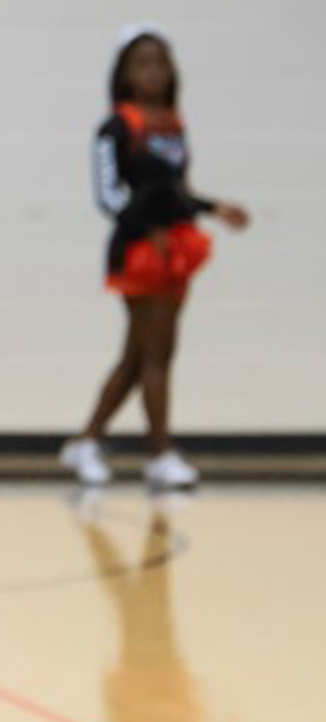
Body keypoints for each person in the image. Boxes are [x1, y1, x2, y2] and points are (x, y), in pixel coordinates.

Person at [62, 25, 248, 490]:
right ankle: (161, 455)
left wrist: (212, 208)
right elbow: (108, 196)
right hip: (140, 250)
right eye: (142, 63)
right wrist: (147, 230)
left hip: (176, 246)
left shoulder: (173, 121)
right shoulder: (116, 126)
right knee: (157, 356)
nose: (153, 72)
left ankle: (86, 442)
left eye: (161, 62)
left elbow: (174, 190)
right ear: (124, 72)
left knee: (139, 355)